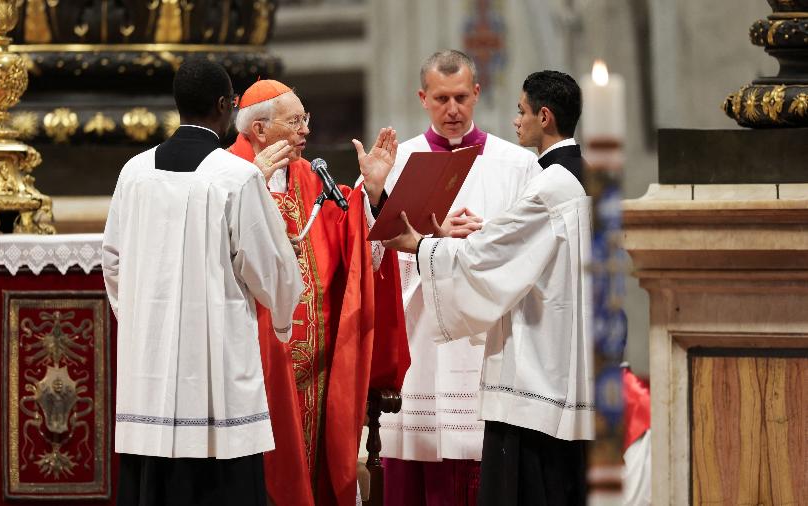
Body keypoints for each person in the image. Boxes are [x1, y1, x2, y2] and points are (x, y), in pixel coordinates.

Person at [382, 70, 594, 506]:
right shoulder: (582, 177)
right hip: (567, 357)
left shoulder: (549, 184)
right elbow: (516, 244)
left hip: (537, 367)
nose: (517, 120)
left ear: (546, 116)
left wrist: (422, 245)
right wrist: (472, 234)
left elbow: (492, 261)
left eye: (521, 111)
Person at [102, 59, 303, 506]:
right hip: (217, 377)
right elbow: (272, 268)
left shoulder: (133, 172)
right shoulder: (236, 177)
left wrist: (141, 318)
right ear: (224, 106)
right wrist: (284, 319)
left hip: (148, 376)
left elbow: (112, 260)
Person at [229, 79, 410, 505]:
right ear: (259, 129)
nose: (305, 130)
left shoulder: (313, 178)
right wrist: (250, 188)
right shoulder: (227, 175)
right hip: (250, 369)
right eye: (294, 121)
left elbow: (356, 246)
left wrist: (373, 193)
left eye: (305, 119)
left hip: (316, 371)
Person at [374, 50, 539, 506]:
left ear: (478, 94)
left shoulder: (518, 165)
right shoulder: (398, 161)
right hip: (420, 343)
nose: (452, 109)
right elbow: (372, 261)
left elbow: (531, 254)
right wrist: (374, 196)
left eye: (462, 97)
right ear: (422, 97)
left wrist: (484, 238)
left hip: (486, 343)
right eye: (441, 98)